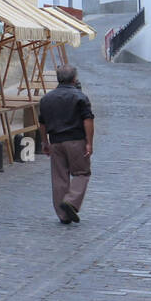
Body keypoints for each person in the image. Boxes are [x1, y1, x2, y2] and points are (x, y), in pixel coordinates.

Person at [37, 65, 94, 224]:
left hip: (55, 141)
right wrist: (89, 142)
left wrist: (44, 142)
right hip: (76, 140)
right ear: (74, 79)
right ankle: (71, 200)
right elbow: (88, 120)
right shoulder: (80, 97)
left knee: (59, 177)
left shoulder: (46, 99)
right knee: (82, 173)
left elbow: (42, 123)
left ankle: (63, 215)